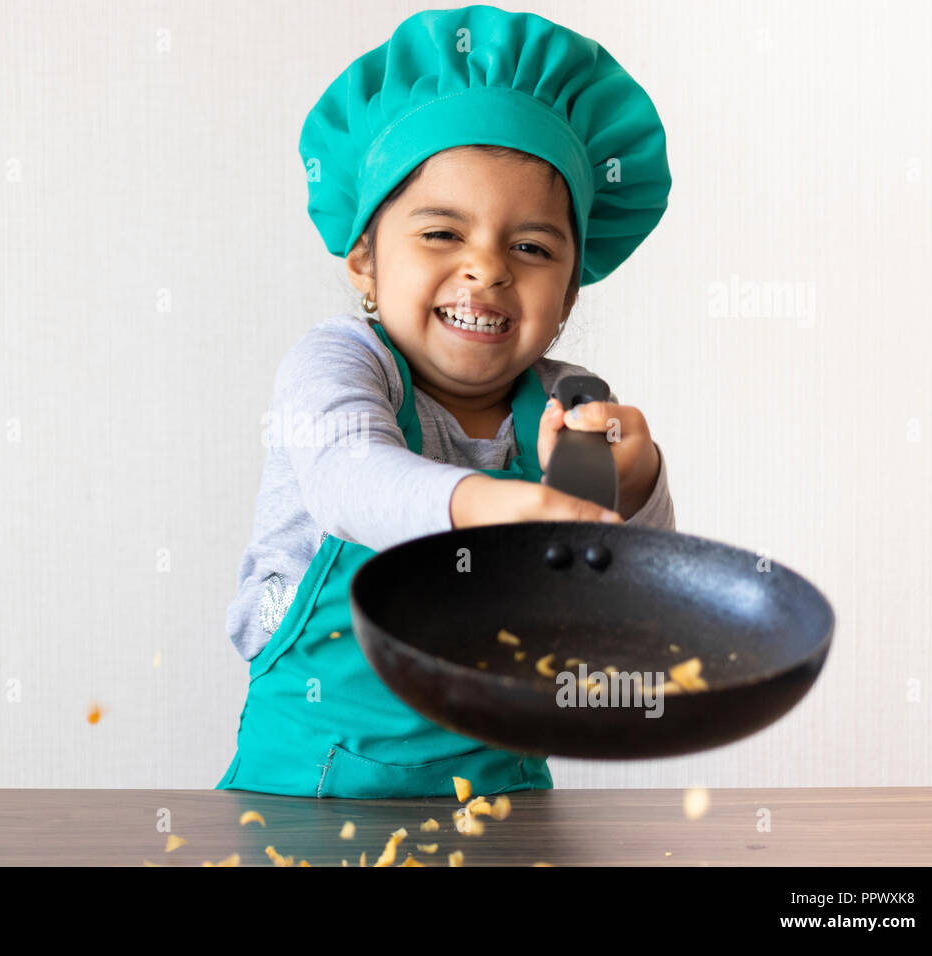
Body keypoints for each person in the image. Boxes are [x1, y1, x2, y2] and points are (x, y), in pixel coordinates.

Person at [218, 4, 675, 798]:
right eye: (441, 234)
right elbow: (348, 479)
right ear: (364, 256)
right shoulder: (337, 368)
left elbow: (610, 620)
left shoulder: (571, 408)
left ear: (568, 292)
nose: (486, 270)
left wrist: (634, 492)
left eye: (531, 248)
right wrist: (492, 508)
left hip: (504, 803)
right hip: (303, 798)